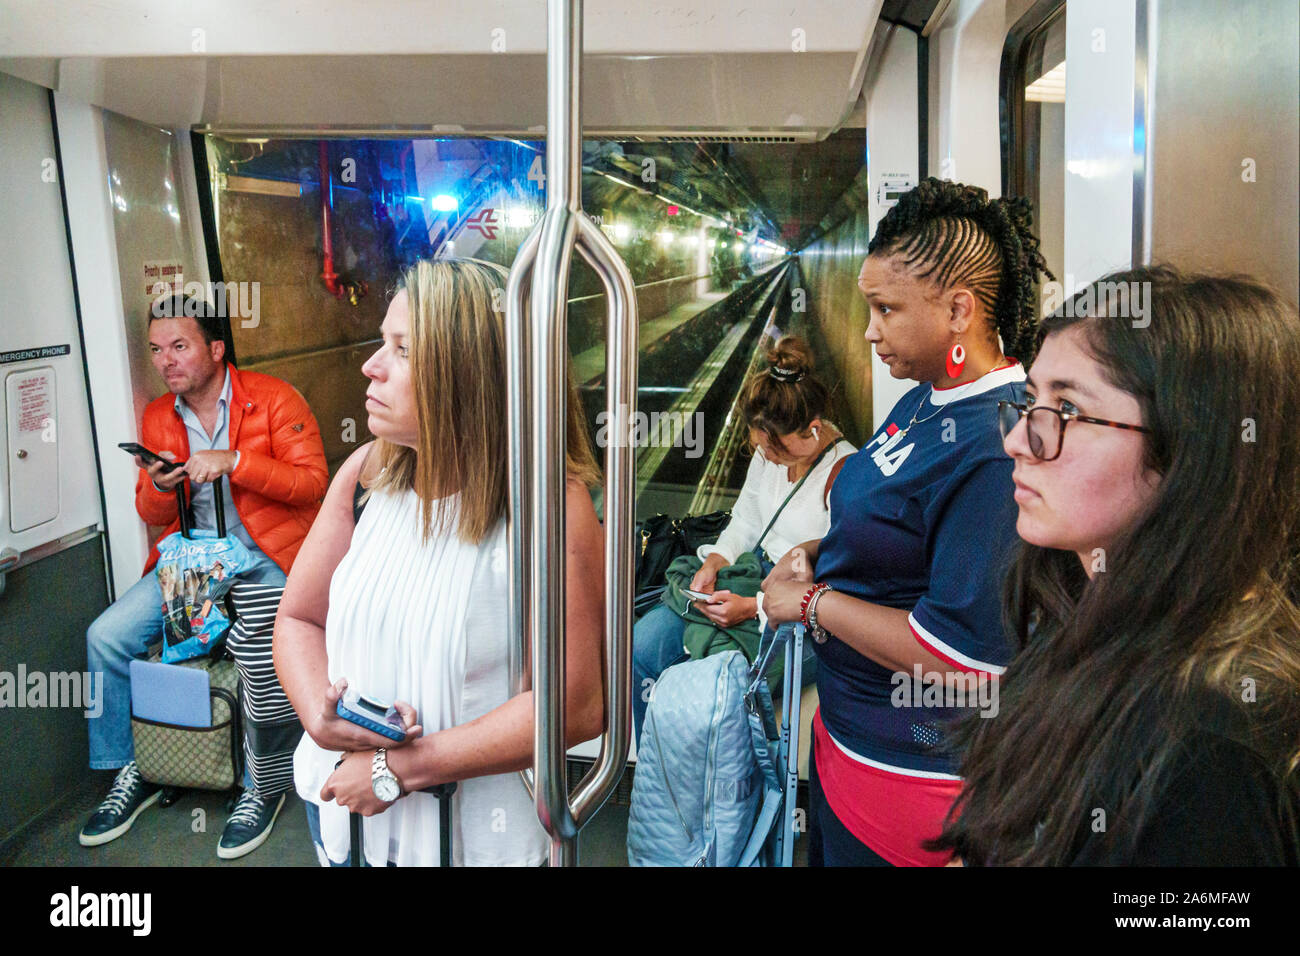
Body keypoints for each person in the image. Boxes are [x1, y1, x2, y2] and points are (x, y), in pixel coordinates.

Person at [930, 267, 1300, 865]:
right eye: (1030, 401)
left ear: (1191, 450)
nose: (1017, 441)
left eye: (1067, 408)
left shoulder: (1211, 745)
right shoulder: (1079, 604)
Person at [274, 257, 606, 867]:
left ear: (468, 375)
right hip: (343, 814)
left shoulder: (550, 508)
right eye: (383, 342)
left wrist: (398, 769)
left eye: (402, 350)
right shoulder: (365, 475)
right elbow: (299, 619)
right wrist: (322, 721)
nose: (371, 366)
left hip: (473, 841)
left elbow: (578, 703)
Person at [761, 178, 1053, 865]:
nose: (870, 331)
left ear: (958, 310)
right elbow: (900, 530)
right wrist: (819, 550)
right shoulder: (926, 399)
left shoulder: (995, 445)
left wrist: (809, 603)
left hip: (910, 774)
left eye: (886, 309)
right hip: (848, 739)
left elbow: (964, 660)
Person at [80, 293, 329, 858]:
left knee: (262, 650)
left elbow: (311, 483)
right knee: (107, 637)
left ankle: (265, 785)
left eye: (179, 346)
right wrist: (159, 485)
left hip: (269, 555)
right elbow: (150, 513)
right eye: (155, 350)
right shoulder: (158, 416)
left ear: (216, 349)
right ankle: (135, 767)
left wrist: (236, 462)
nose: (165, 361)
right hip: (196, 564)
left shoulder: (273, 399)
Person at [632, 336, 856, 739]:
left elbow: (838, 587)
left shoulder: (846, 478)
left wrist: (753, 608)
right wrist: (716, 561)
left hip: (801, 613)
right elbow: (747, 520)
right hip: (750, 576)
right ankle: (660, 763)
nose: (767, 456)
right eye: (761, 446)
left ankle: (716, 776)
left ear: (813, 428)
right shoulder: (770, 450)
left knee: (713, 689)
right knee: (641, 648)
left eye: (777, 450)